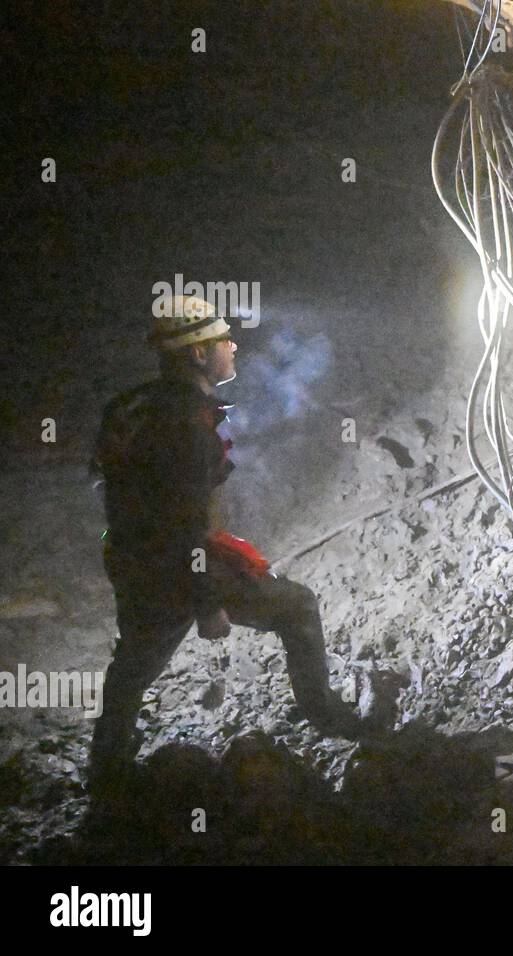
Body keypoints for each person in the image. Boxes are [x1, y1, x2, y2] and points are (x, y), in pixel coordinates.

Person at [86, 295, 364, 795]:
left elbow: (119, 493)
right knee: (297, 607)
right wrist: (208, 605)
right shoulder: (188, 426)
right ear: (197, 354)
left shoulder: (131, 407)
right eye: (221, 340)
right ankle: (332, 720)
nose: (233, 346)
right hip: (177, 567)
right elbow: (187, 527)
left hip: (131, 560)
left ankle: (105, 774)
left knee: (134, 665)